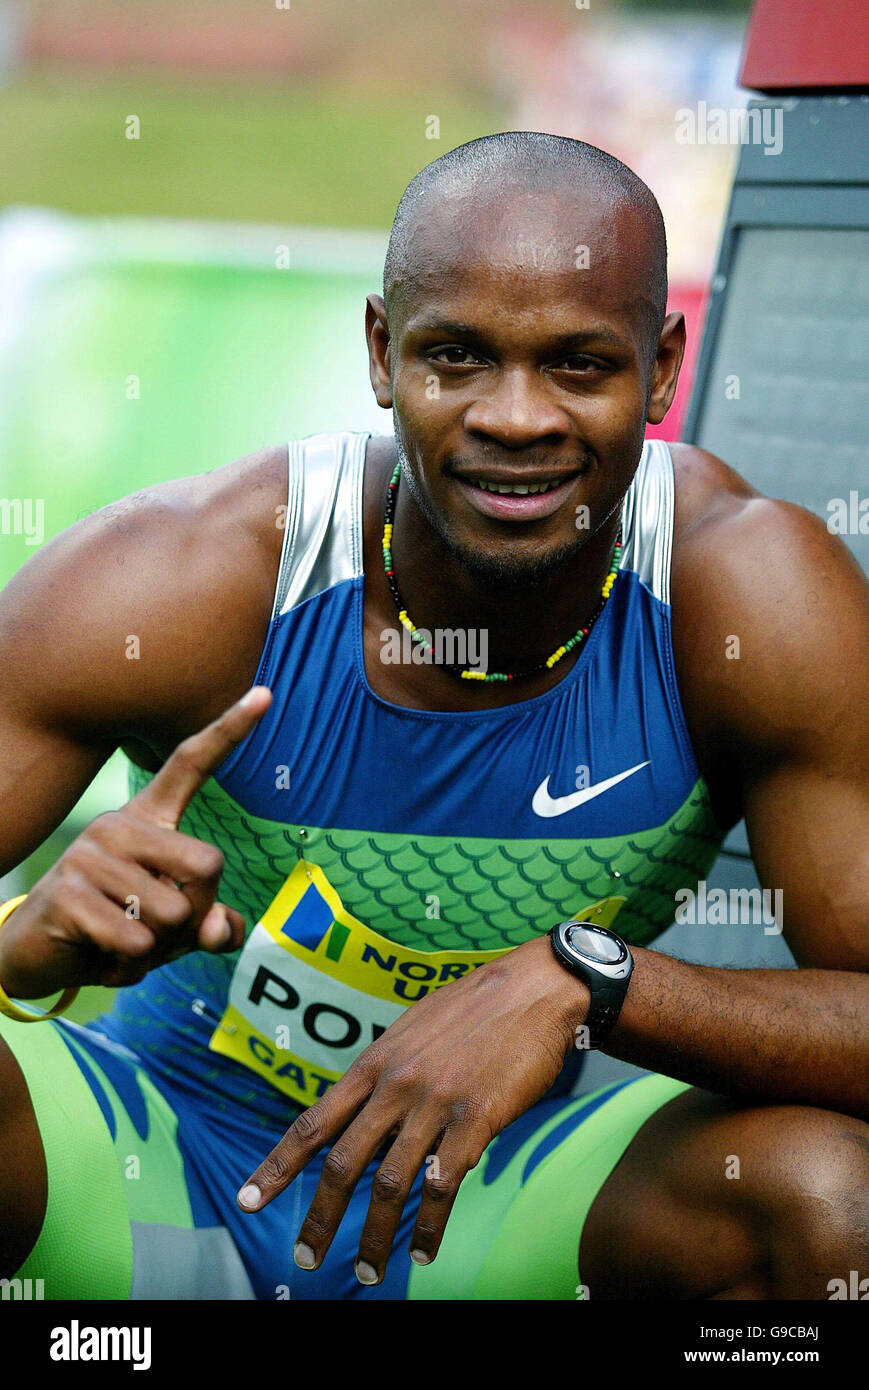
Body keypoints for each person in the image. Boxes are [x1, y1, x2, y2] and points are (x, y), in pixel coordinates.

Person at [0, 132, 866, 1301]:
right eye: (455, 357)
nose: (515, 417)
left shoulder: (752, 602)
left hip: (490, 1200)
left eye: (577, 366)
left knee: (829, 1198)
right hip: (150, 1155)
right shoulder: (178, 577)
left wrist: (593, 982)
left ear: (661, 371)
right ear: (380, 352)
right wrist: (16, 946)